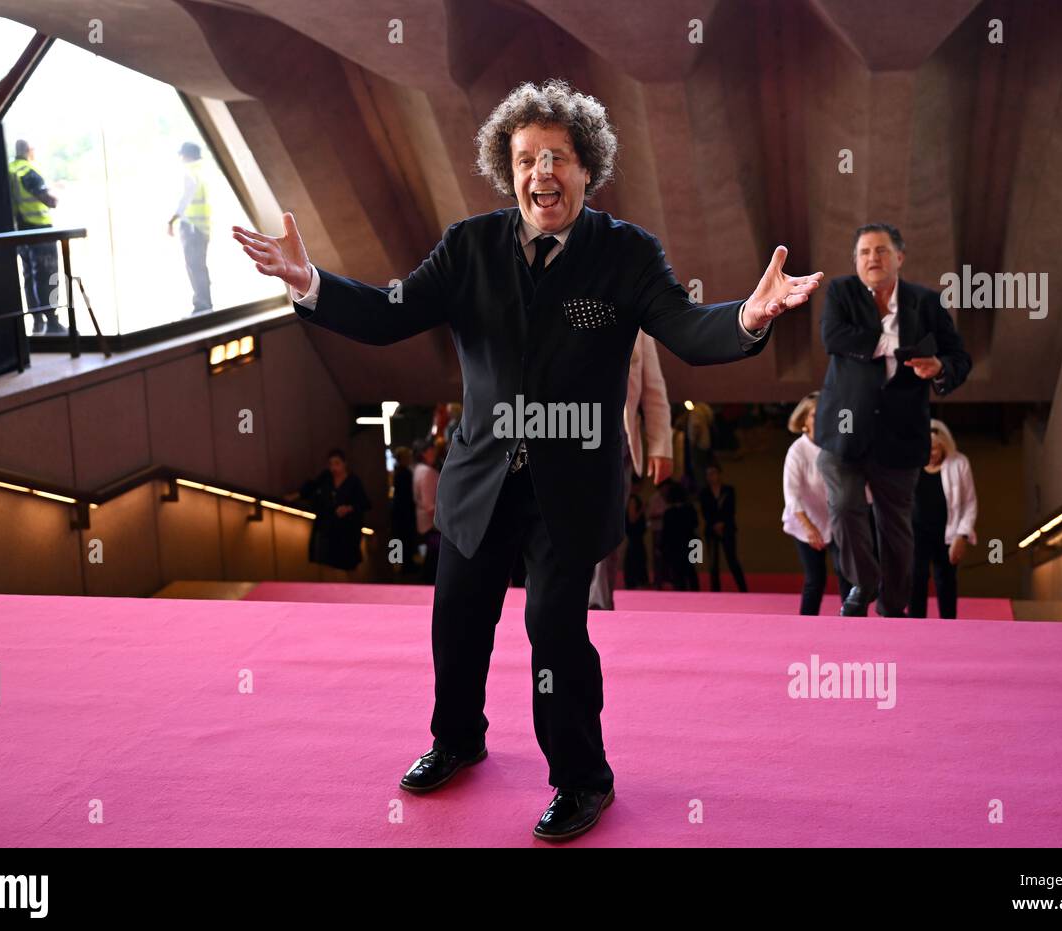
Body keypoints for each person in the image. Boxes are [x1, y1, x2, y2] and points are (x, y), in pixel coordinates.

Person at [232, 79, 821, 841]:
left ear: (587, 169)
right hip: (479, 475)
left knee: (554, 626)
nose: (541, 173)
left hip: (570, 484)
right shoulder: (469, 246)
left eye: (559, 158)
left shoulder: (626, 253)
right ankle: (457, 738)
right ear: (508, 171)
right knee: (457, 620)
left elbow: (685, 328)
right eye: (525, 159)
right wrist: (308, 282)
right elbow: (389, 314)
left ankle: (582, 778)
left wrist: (749, 315)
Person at [814, 223, 971, 617]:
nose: (873, 258)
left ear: (899, 257)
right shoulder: (841, 292)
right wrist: (897, 347)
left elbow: (959, 359)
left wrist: (937, 368)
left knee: (897, 528)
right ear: (855, 261)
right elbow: (834, 337)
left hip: (901, 435)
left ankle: (892, 607)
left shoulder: (927, 303)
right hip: (843, 432)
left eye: (882, 251)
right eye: (865, 252)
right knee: (845, 505)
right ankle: (863, 582)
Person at [588, 329, 673, 609]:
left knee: (609, 527)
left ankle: (599, 602)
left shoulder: (639, 328)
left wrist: (661, 446)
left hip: (619, 445)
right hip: (568, 436)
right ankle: (564, 597)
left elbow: (654, 389)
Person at [783, 392, 853, 614]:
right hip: (805, 520)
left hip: (835, 521)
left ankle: (852, 621)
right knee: (815, 579)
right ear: (804, 420)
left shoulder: (835, 445)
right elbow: (792, 495)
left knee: (846, 574)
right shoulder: (797, 451)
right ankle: (807, 624)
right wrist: (809, 528)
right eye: (815, 415)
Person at [908, 419, 977, 619]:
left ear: (944, 446)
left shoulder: (959, 463)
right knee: (916, 579)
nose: (930, 454)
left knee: (945, 580)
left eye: (935, 449)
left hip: (947, 533)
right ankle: (915, 626)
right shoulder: (911, 465)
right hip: (916, 533)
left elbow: (970, 503)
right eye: (926, 449)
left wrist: (962, 535)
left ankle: (948, 627)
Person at [7, 139, 63, 335]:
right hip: (40, 231)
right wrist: (55, 193)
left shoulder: (9, 169)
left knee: (29, 277)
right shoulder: (28, 171)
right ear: (29, 151)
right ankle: (53, 322)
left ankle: (37, 321)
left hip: (20, 232)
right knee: (48, 275)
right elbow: (49, 201)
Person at [293, 449, 371, 574]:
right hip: (330, 527)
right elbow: (311, 488)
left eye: (337, 463)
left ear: (344, 463)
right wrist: (296, 495)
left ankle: (352, 590)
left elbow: (365, 503)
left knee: (349, 564)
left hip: (348, 529)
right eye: (331, 464)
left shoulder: (353, 481)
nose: (334, 467)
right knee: (328, 563)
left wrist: (348, 508)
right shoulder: (326, 477)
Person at [168, 142, 213, 315]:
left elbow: (185, 199)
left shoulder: (189, 173)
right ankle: (205, 303)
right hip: (203, 227)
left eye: (182, 155)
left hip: (192, 227)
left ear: (186, 155)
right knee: (200, 266)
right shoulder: (202, 171)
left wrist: (172, 219)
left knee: (195, 266)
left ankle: (202, 305)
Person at [700, 464, 747, 592]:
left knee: (732, 559)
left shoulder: (729, 490)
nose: (711, 477)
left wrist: (722, 523)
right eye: (708, 474)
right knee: (713, 563)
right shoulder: (704, 492)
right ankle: (715, 591)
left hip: (728, 528)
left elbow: (731, 509)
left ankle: (743, 589)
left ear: (719, 474)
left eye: (713, 473)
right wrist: (714, 524)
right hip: (711, 529)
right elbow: (705, 511)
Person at [661, 481, 700, 592]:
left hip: (674, 546)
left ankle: (681, 593)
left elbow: (666, 533)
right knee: (691, 571)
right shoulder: (690, 509)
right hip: (691, 543)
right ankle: (695, 593)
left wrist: (661, 548)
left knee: (677, 572)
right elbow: (696, 525)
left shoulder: (669, 513)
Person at [411, 438, 441, 585]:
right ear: (425, 453)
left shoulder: (419, 469)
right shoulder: (427, 471)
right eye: (432, 450)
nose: (434, 452)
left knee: (431, 561)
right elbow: (429, 504)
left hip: (425, 522)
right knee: (433, 563)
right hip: (431, 524)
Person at [390, 446, 418, 576]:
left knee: (400, 538)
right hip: (405, 511)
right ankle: (406, 566)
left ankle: (399, 564)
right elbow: (408, 494)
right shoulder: (405, 473)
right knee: (406, 538)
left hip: (399, 510)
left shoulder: (398, 471)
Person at [623, 493, 648, 589]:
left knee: (637, 558)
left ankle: (635, 581)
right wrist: (642, 509)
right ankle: (633, 582)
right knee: (635, 558)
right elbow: (632, 519)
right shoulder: (633, 499)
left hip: (636, 537)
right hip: (634, 537)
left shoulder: (633, 498)